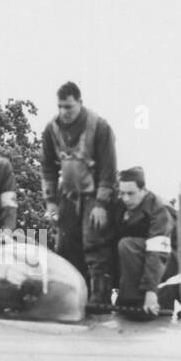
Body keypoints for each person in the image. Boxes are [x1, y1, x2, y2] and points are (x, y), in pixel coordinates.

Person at [40, 81, 118, 309]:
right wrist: (51, 203)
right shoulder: (51, 129)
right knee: (65, 247)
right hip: (69, 195)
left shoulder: (100, 127)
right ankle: (72, 298)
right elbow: (47, 168)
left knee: (95, 245)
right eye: (61, 106)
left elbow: (108, 168)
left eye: (69, 107)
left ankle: (99, 300)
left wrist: (102, 204)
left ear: (80, 103)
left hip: (95, 196)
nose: (64, 112)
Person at [106, 167, 175, 317]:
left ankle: (141, 301)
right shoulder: (121, 206)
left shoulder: (159, 208)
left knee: (127, 245)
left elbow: (158, 252)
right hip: (143, 263)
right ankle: (128, 297)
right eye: (122, 193)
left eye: (130, 193)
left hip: (168, 262)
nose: (125, 199)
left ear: (143, 189)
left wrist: (151, 292)